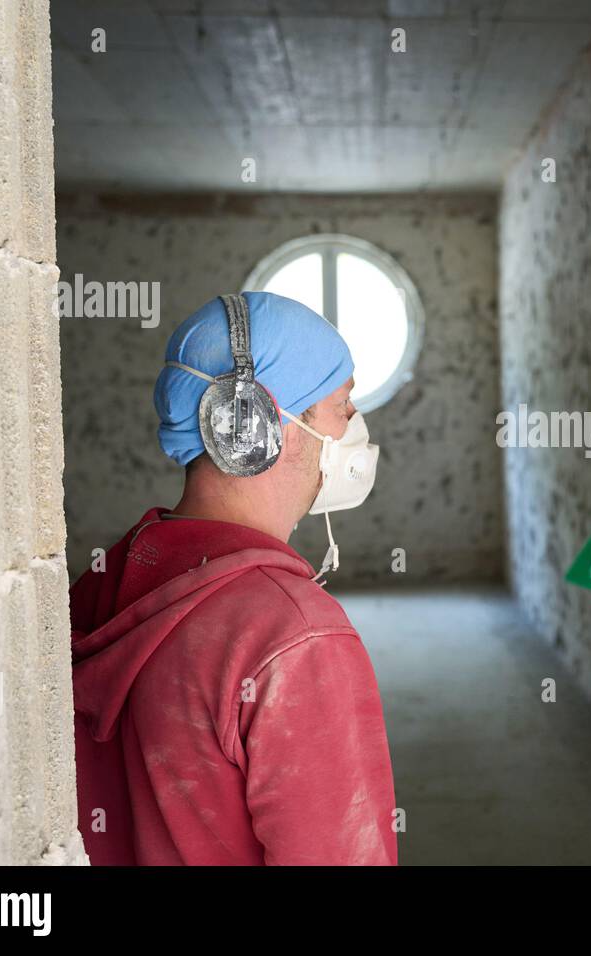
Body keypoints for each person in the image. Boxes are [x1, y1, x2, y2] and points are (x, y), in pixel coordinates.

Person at [69, 291, 397, 865]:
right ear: (254, 423)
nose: (353, 424)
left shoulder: (102, 582)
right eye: (342, 403)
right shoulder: (298, 640)